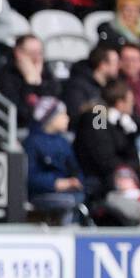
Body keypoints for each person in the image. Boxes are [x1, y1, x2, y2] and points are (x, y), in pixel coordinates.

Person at [24, 96, 85, 225]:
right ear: (51, 118)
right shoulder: (32, 143)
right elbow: (29, 177)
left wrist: (76, 180)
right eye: (63, 114)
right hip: (41, 194)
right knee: (69, 201)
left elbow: (75, 168)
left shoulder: (63, 142)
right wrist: (55, 183)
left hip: (67, 191)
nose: (67, 118)